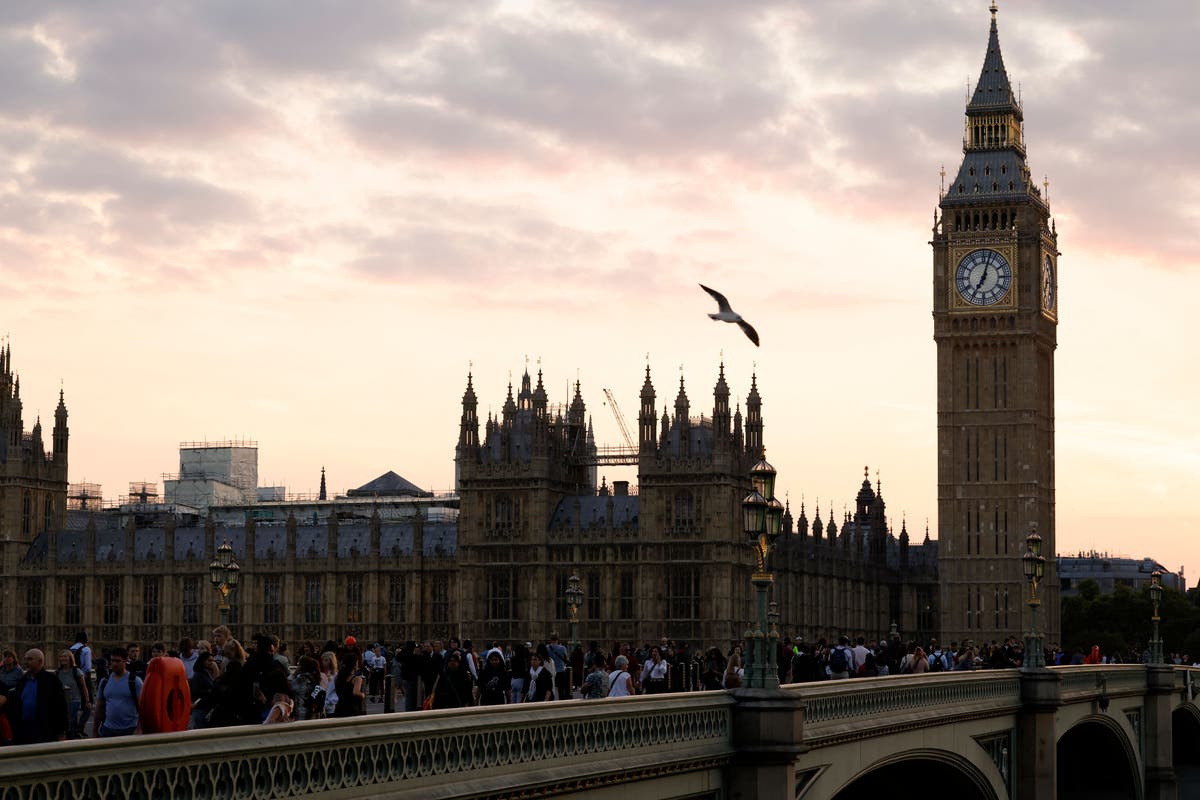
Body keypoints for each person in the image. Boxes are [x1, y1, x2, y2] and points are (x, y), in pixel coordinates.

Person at [94, 647, 142, 737]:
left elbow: (143, 708)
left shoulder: (135, 681)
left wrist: (139, 729)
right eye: (112, 661)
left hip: (129, 729)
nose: (114, 664)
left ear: (125, 661)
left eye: (118, 661)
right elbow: (99, 708)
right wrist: (95, 730)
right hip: (108, 729)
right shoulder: (104, 681)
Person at [55, 649, 90, 739]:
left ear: (70, 658)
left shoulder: (76, 671)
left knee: (70, 721)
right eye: (61, 656)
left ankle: (70, 738)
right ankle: (72, 736)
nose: (63, 658)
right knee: (67, 721)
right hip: (62, 701)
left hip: (74, 700)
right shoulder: (58, 672)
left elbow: (83, 687)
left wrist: (87, 701)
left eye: (65, 656)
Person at [332, 651, 366, 717]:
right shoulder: (357, 679)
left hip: (339, 708)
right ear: (354, 665)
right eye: (357, 663)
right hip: (351, 710)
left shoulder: (338, 677)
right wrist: (362, 694)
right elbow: (355, 692)